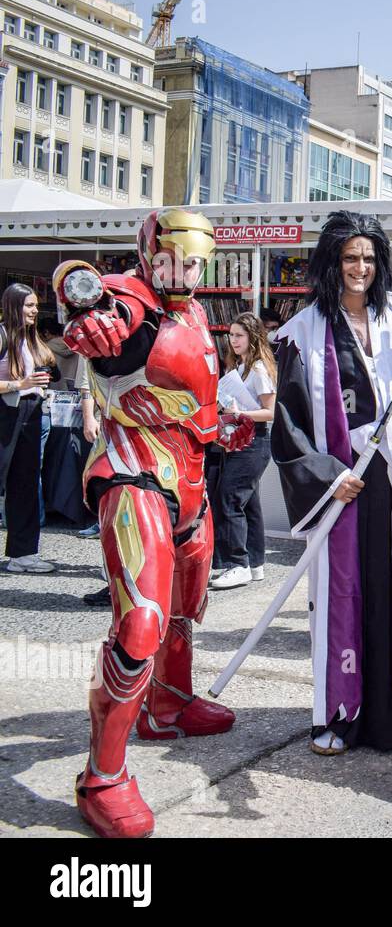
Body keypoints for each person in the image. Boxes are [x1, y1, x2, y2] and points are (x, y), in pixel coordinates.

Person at [57, 210, 254, 838]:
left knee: (181, 608)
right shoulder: (134, 297)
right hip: (133, 474)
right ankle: (103, 776)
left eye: (193, 262)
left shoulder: (194, 313)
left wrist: (220, 424)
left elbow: (188, 395)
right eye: (172, 260)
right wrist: (86, 306)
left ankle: (166, 704)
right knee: (139, 621)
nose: (183, 273)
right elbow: (88, 295)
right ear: (150, 255)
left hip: (190, 479)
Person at [272, 210, 392, 757]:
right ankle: (343, 712)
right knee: (351, 598)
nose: (359, 267)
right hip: (348, 491)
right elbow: (287, 424)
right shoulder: (302, 335)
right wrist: (328, 477)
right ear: (331, 262)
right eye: (349, 257)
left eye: (368, 258)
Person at [211, 313, 277, 590]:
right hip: (241, 439)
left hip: (254, 440)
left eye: (239, 335)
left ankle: (236, 564)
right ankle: (254, 562)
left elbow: (271, 412)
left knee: (229, 498)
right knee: (249, 502)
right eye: (231, 334)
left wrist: (240, 412)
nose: (233, 340)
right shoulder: (239, 367)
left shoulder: (260, 369)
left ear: (252, 336)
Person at [0, 284, 57, 572]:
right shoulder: (1, 336)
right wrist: (18, 385)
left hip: (32, 412)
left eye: (35, 305)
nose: (35, 310)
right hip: (6, 412)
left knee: (25, 482)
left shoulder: (31, 340)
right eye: (28, 305)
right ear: (13, 306)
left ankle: (23, 554)